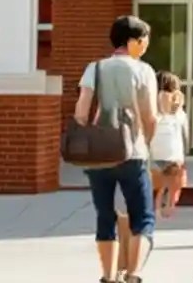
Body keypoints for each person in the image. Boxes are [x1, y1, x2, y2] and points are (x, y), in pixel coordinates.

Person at [74, 15, 159, 283]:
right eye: (144, 40)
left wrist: (89, 135)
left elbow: (81, 111)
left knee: (105, 215)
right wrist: (147, 141)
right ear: (133, 41)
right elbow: (151, 116)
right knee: (142, 217)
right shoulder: (143, 70)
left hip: (99, 155)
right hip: (132, 152)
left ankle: (108, 277)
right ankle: (133, 274)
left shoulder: (95, 68)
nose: (145, 46)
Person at [150, 71, 190, 219]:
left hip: (155, 151)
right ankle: (168, 207)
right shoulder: (178, 111)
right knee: (173, 181)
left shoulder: (153, 106)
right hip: (173, 152)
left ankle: (157, 206)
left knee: (159, 182)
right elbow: (184, 130)